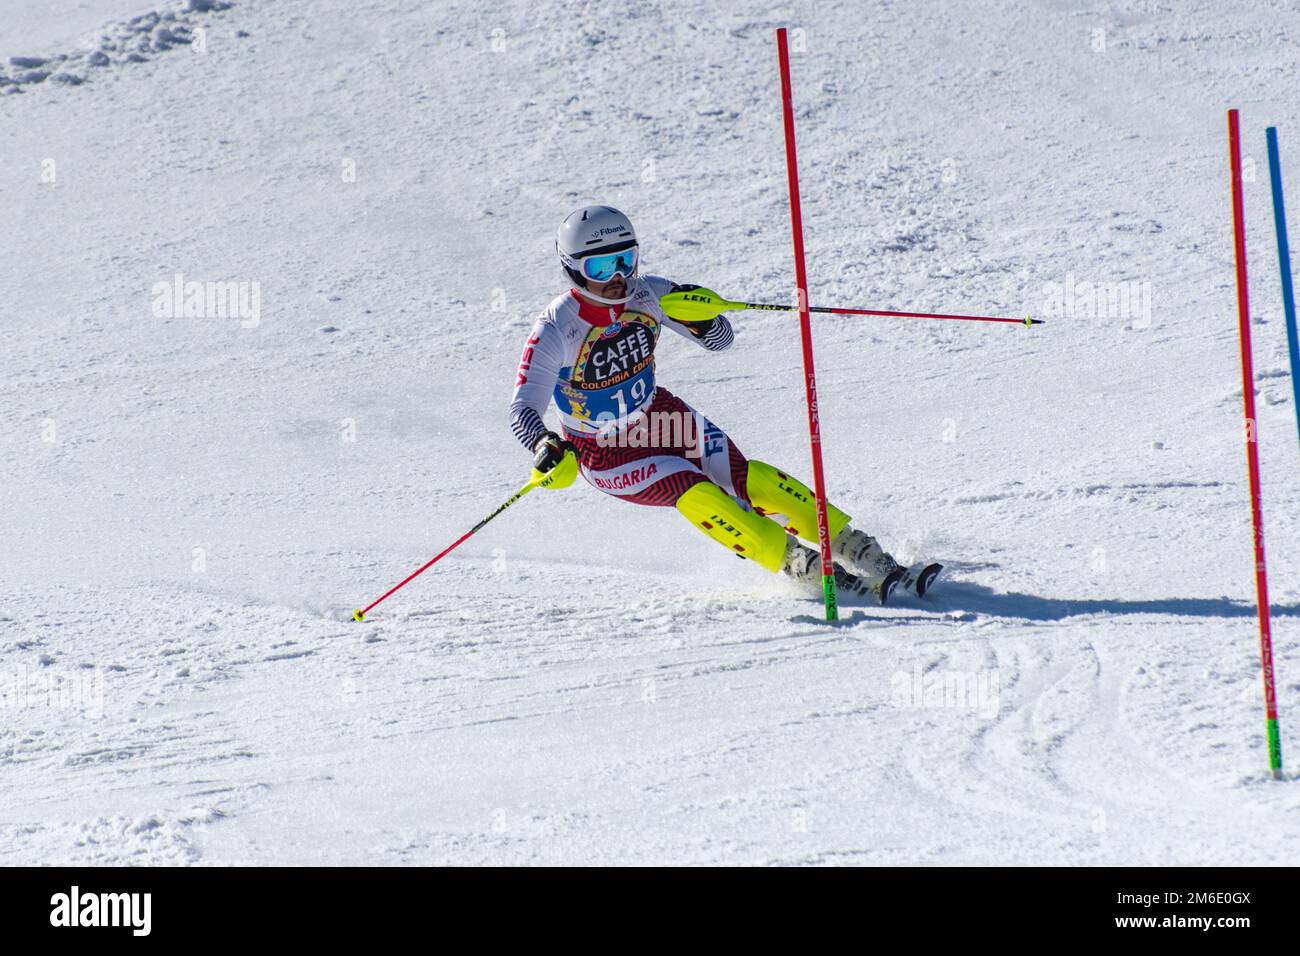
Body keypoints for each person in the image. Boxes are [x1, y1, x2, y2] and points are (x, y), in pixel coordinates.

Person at [508, 204, 938, 603]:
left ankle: (868, 556)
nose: (619, 275)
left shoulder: (649, 294)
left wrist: (703, 317)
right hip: (604, 451)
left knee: (753, 481)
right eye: (602, 266)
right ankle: (810, 571)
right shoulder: (556, 327)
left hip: (661, 416)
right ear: (574, 271)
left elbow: (721, 340)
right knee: (695, 492)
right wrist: (544, 443)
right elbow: (522, 411)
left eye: (626, 258)